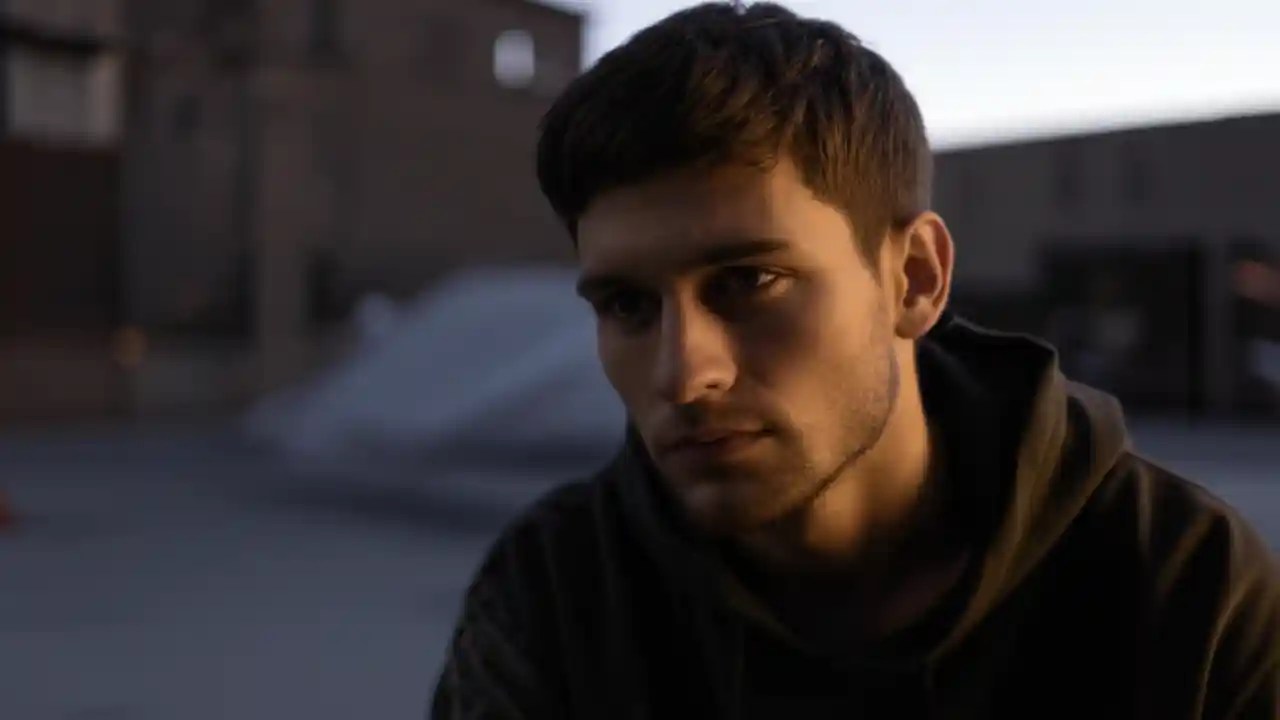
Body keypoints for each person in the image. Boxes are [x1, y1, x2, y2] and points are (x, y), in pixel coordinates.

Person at [431, 3, 1280, 717]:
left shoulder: (1182, 585)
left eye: (749, 282)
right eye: (627, 305)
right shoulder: (555, 595)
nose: (683, 375)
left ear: (915, 278)